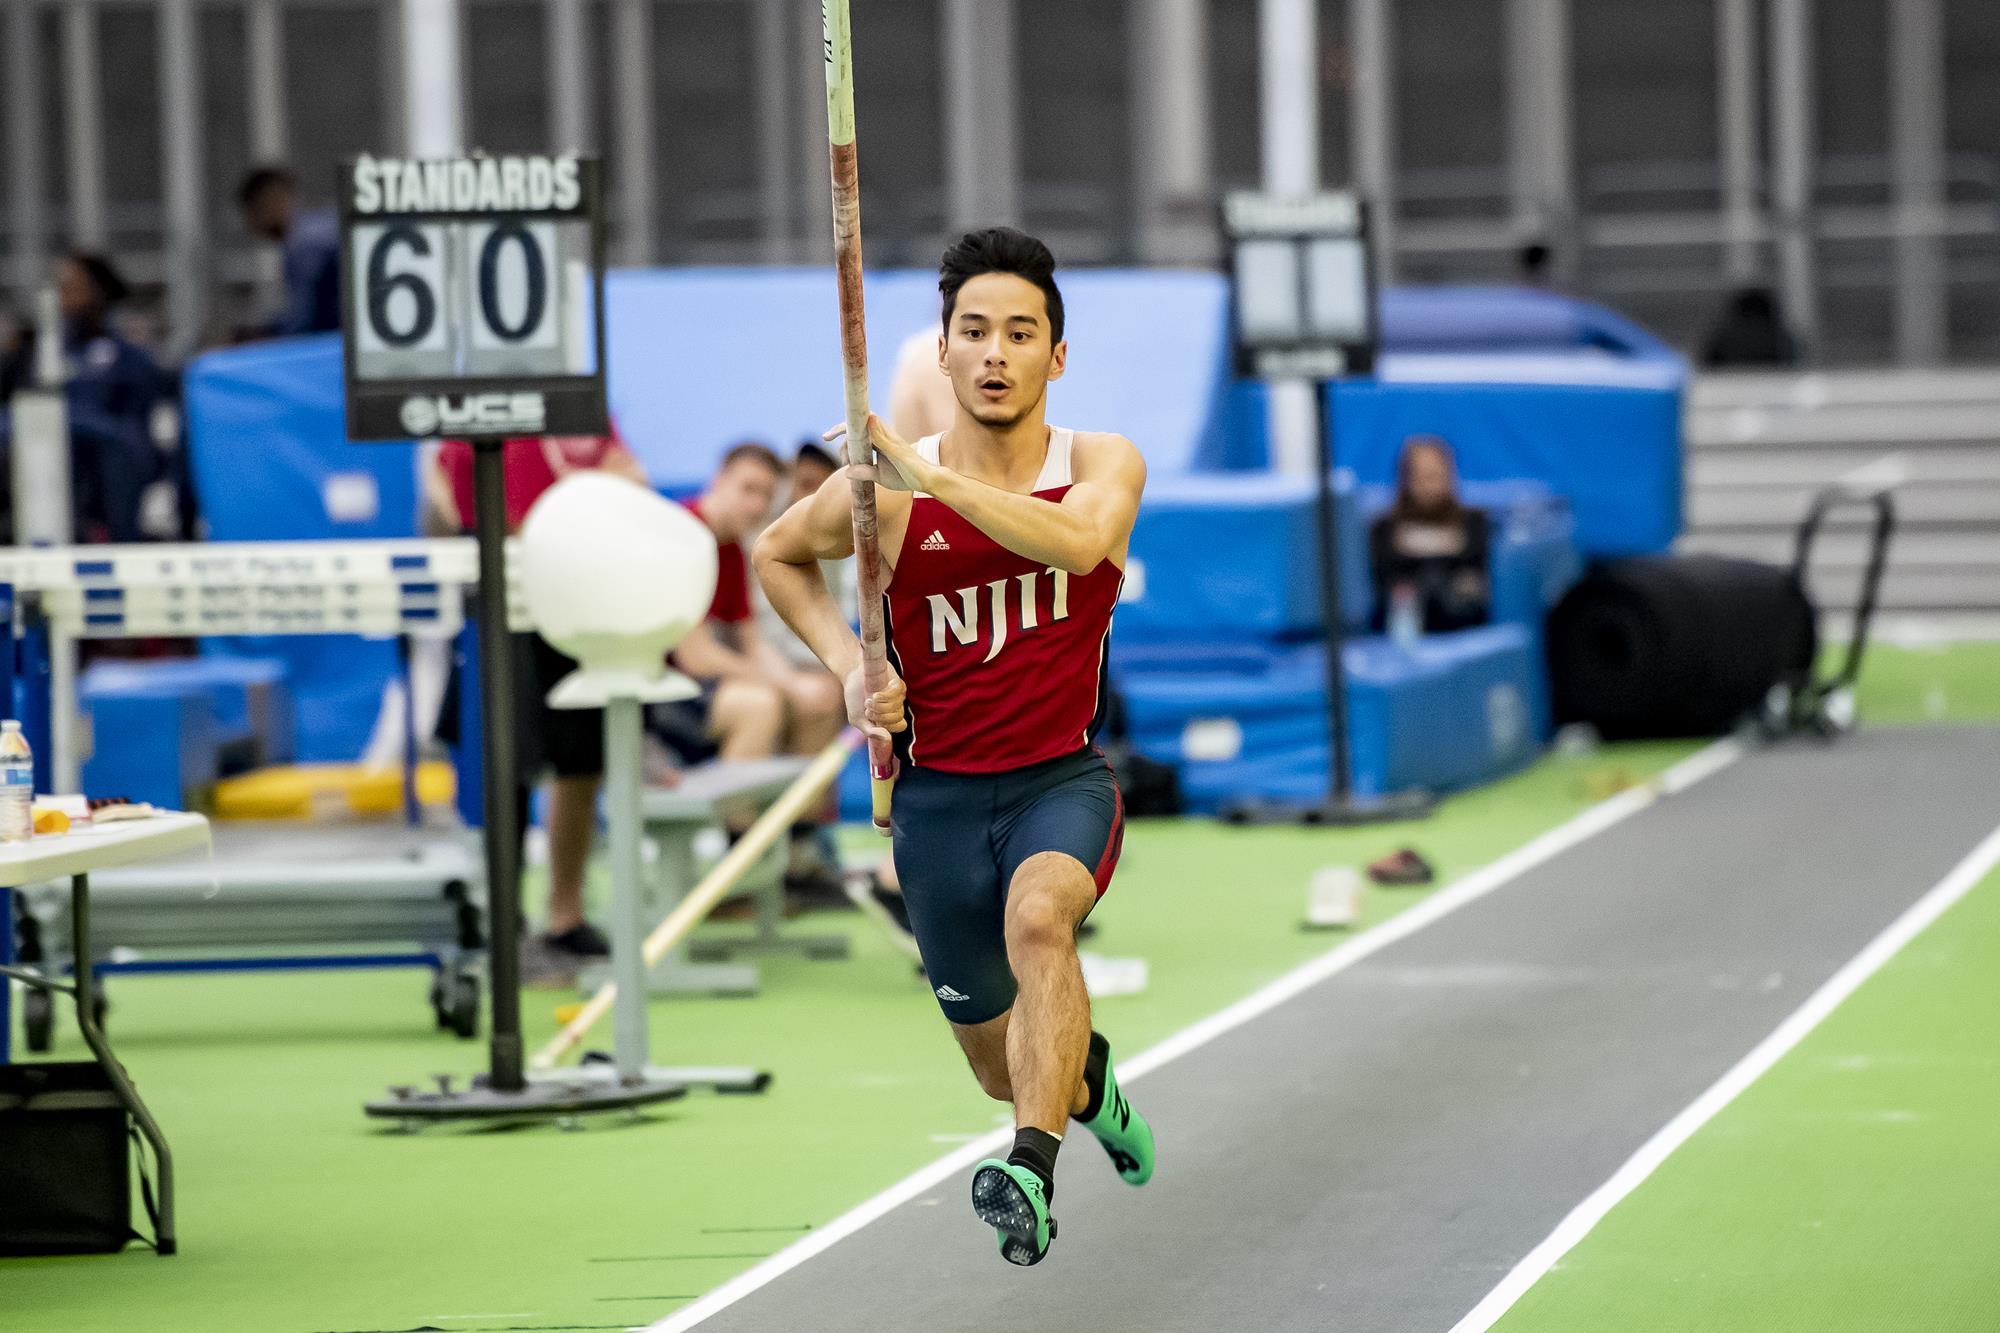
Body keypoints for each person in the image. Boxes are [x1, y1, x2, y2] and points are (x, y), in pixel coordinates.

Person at [756, 226, 1156, 1267]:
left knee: (1040, 921)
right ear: (941, 352)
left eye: (1018, 333)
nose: (993, 351)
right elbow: (776, 554)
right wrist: (850, 669)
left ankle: (1028, 1169)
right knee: (998, 1062)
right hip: (933, 803)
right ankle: (1088, 1083)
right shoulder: (883, 488)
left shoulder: (1099, 464)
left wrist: (923, 487)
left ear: (1051, 359)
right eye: (972, 331)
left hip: (1057, 781)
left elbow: (1074, 544)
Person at [425, 429, 651, 963]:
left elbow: (635, 484)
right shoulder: (489, 424)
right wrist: (594, 490)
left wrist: (583, 498)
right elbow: (509, 523)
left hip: (583, 614)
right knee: (505, 769)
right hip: (507, 617)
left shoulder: (590, 415)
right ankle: (504, 921)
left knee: (580, 767)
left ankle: (564, 917)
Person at [650, 443, 845, 770]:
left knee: (819, 700)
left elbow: (751, 643)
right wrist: (786, 684)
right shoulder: (683, 537)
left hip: (697, 689)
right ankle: (738, 823)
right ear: (718, 480)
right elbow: (695, 658)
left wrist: (799, 687)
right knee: (758, 705)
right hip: (656, 695)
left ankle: (804, 821)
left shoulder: (733, 550)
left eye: (766, 496)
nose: (756, 505)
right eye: (748, 489)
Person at [0, 251, 171, 543]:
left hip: (113, 466)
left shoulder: (127, 353)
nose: (64, 298)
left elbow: (137, 427)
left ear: (98, 290)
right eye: (58, 287)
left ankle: (117, 540)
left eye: (72, 287)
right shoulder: (36, 352)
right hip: (52, 465)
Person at [1369, 434, 1492, 634]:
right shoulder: (1383, 528)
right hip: (1406, 630)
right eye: (1423, 477)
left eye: (1437, 476)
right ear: (1406, 479)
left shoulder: (1474, 523)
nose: (1431, 486)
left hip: (1465, 627)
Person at [237, 165, 343, 337]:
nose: (249, 226)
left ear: (268, 202)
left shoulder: (304, 245)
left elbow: (303, 322)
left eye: (250, 214)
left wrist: (259, 335)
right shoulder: (320, 226)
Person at [1700, 286, 1801, 368]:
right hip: (1774, 385)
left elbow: (1710, 366)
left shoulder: (1723, 337)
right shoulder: (1780, 337)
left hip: (1731, 386)